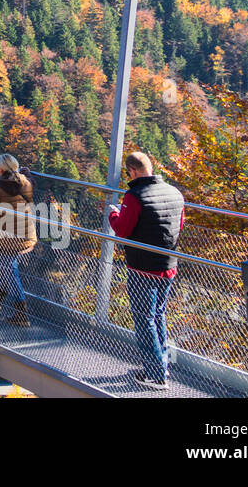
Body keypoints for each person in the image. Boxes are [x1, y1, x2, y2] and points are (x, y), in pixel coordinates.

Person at [107, 151, 185, 391]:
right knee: (158, 314)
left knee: (143, 319)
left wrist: (113, 213)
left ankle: (155, 374)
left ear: (132, 171)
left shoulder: (134, 196)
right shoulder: (175, 193)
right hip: (168, 264)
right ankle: (161, 364)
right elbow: (179, 224)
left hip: (142, 267)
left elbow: (122, 229)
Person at [0, 153, 37, 327]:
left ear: (2, 169)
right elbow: (28, 180)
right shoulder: (26, 183)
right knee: (9, 268)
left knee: (11, 272)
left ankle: (22, 314)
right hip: (26, 236)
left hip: (6, 240)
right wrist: (26, 173)